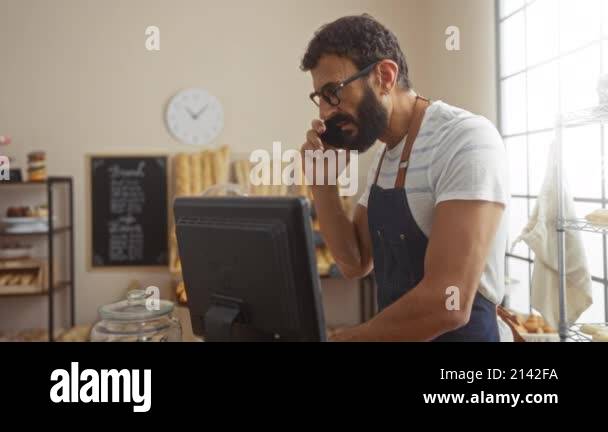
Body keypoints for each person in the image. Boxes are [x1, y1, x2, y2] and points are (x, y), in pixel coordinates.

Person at [300, 14, 509, 341]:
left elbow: (448, 302)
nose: (325, 113)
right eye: (321, 99)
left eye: (334, 93)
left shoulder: (466, 140)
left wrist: (347, 339)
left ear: (384, 76)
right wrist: (322, 182)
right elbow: (355, 262)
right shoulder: (386, 155)